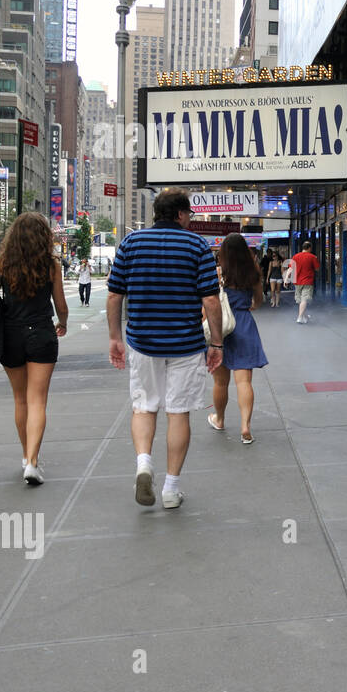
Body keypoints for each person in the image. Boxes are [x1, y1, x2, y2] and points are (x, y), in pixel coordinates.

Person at [107, 188, 222, 510]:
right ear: (182, 214)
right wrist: (217, 342)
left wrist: (116, 337)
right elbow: (210, 299)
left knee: (143, 407)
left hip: (142, 342)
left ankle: (144, 463)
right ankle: (171, 488)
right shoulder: (196, 245)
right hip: (185, 344)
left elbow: (115, 295)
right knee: (178, 412)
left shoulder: (131, 243)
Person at [0, 213, 71, 485]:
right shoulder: (51, 265)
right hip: (42, 333)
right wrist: (63, 323)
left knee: (20, 400)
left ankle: (25, 457)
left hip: (9, 335)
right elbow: (61, 304)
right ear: (43, 236)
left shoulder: (1, 263)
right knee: (38, 401)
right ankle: (33, 461)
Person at [208, 234, 267, 444]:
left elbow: (208, 302)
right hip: (243, 324)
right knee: (244, 381)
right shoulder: (253, 272)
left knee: (220, 382)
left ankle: (220, 419)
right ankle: (245, 426)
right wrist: (248, 307)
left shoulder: (217, 273)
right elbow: (258, 300)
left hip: (220, 326)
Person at [291, 241, 320, 324]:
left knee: (301, 300)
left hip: (297, 282)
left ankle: (304, 316)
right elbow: (317, 269)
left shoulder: (295, 256)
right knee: (304, 299)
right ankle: (300, 317)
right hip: (307, 281)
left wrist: (286, 279)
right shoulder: (312, 257)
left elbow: (291, 268)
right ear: (309, 248)